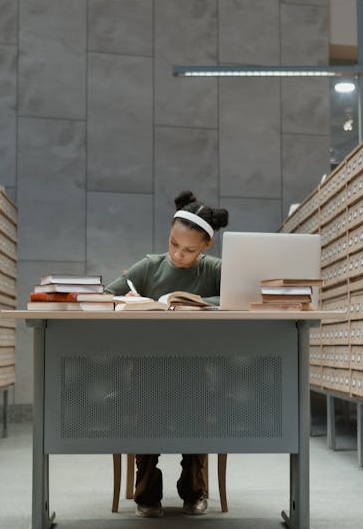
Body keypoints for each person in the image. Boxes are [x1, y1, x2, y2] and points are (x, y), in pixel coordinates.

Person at [103, 190, 230, 518]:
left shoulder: (213, 270)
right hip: (148, 364)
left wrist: (201, 304)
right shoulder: (150, 266)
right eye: (173, 243)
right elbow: (107, 296)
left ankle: (194, 491)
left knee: (197, 414)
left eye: (189, 250)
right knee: (146, 414)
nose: (178, 254)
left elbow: (240, 295)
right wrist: (134, 304)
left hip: (195, 366)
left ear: (206, 246)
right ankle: (146, 494)